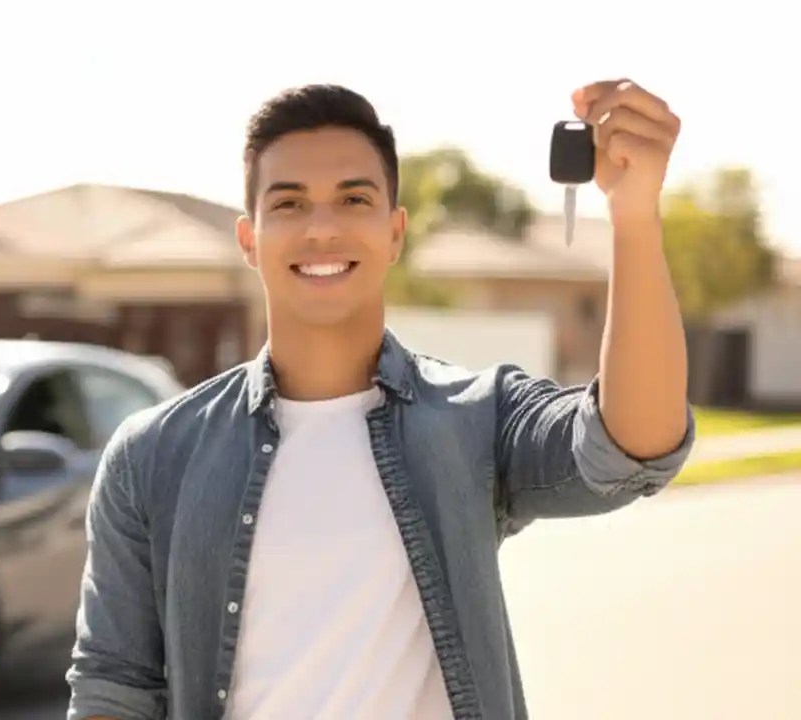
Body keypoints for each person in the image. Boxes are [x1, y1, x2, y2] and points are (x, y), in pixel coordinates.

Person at [66, 80, 695, 720]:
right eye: (288, 204)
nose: (323, 229)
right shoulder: (153, 456)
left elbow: (629, 447)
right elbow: (112, 687)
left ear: (394, 233)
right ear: (249, 239)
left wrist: (634, 214)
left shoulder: (474, 419)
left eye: (353, 198)